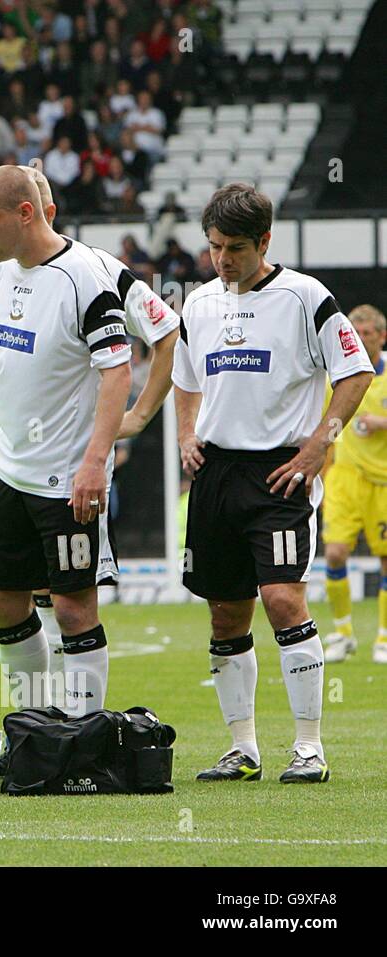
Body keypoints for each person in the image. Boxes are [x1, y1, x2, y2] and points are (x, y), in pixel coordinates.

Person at [174, 184, 373, 784]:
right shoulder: (200, 304)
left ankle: (309, 747)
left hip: (279, 473)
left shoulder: (305, 297)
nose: (223, 259)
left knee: (283, 598)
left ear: (265, 241)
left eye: (235, 248)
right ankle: (243, 749)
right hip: (215, 473)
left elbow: (356, 371)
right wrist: (186, 433)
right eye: (214, 247)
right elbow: (185, 377)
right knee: (225, 613)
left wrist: (319, 445)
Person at [0, 166, 131, 717]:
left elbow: (117, 371)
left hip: (67, 478)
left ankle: (83, 730)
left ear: (25, 213)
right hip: (8, 472)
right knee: (1, 601)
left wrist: (95, 462)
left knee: (74, 609)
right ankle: (33, 723)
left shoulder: (85, 278)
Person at [17, 165, 181, 698]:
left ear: (47, 213)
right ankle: (43, 720)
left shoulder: (98, 270)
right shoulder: (2, 274)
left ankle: (77, 720)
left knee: (71, 594)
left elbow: (166, 331)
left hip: (76, 461)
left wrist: (140, 414)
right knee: (33, 588)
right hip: (20, 461)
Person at [319, 304, 387, 664]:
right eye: (356, 334)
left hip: (383, 482)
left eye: (369, 334)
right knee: (334, 553)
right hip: (345, 478)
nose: (362, 340)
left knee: (385, 559)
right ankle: (343, 632)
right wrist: (319, 474)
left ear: (382, 336)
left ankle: (383, 636)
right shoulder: (340, 377)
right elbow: (327, 429)